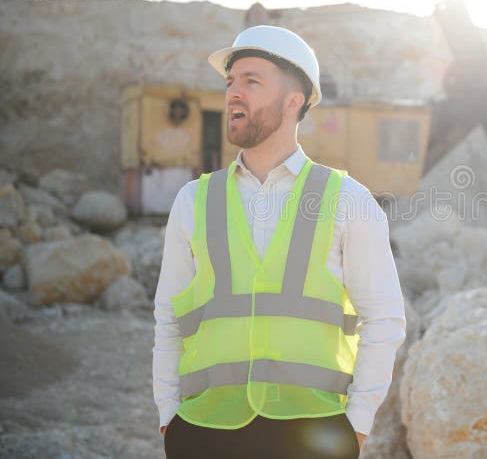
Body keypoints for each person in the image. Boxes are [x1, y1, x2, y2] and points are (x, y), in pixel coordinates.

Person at [152, 25, 406, 458]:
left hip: (312, 435)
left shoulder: (348, 200)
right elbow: (168, 319)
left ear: (294, 101)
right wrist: (169, 418)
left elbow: (384, 320)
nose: (234, 93)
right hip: (204, 431)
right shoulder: (193, 200)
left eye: (252, 82)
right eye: (231, 82)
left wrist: (357, 426)